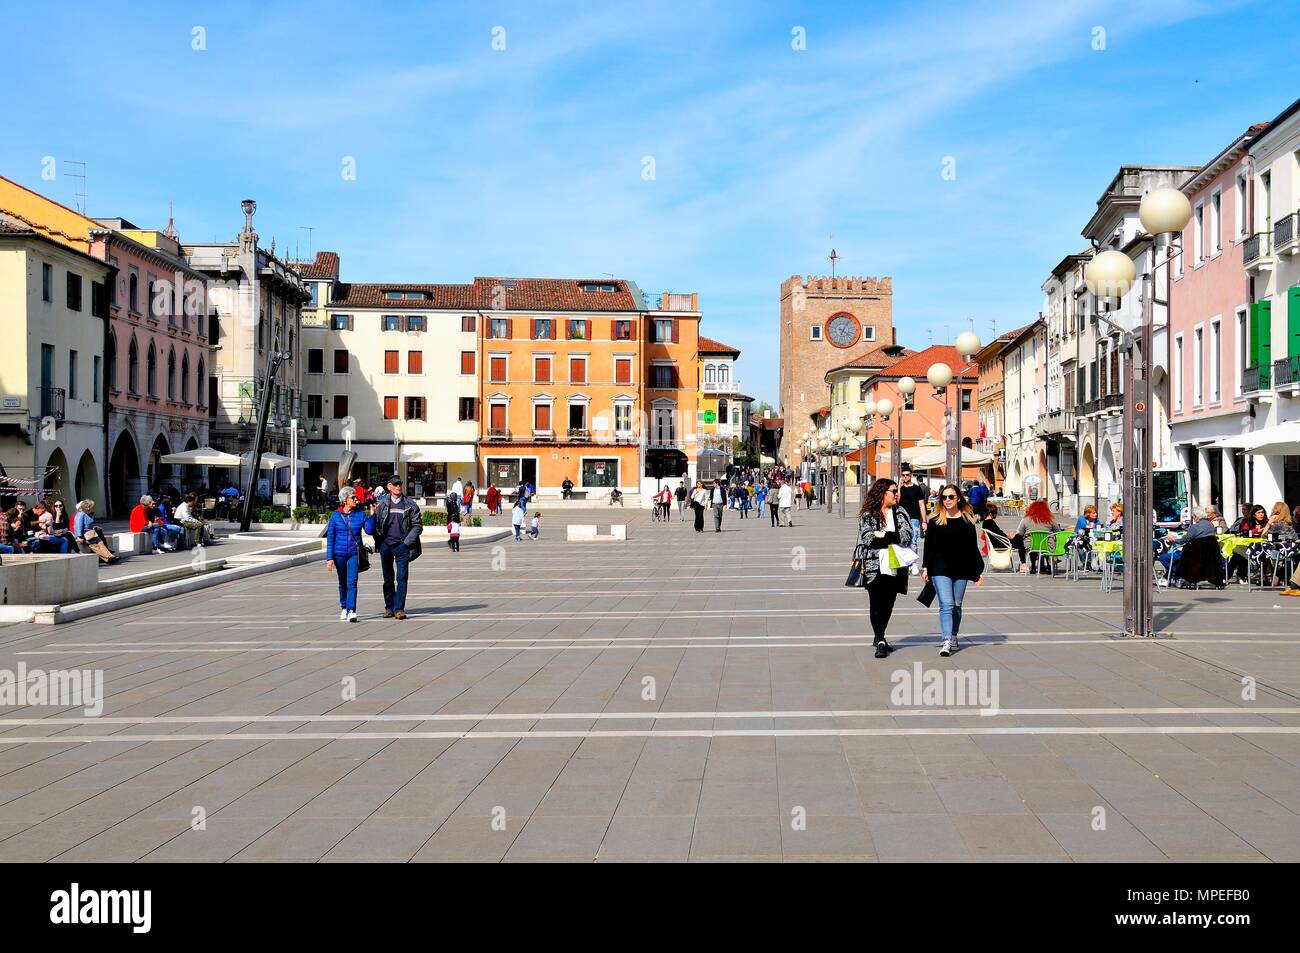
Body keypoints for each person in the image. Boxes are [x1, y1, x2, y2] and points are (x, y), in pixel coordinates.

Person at [922, 484, 985, 657]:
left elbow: (972, 548)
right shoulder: (935, 520)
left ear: (958, 498)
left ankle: (954, 634)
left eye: (951, 497)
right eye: (944, 497)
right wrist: (926, 567)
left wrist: (976, 572)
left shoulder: (967, 520)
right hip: (939, 568)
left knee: (956, 605)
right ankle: (946, 640)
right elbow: (929, 546)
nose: (947, 500)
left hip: (961, 568)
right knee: (947, 605)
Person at [856, 478, 914, 659]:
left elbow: (907, 535)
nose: (897, 494)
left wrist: (883, 534)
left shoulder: (900, 512)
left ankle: (879, 635)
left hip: (895, 564)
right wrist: (890, 536)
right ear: (883, 493)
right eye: (893, 491)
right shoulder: (869, 514)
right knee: (876, 602)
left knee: (889, 603)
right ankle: (880, 639)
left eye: (897, 491)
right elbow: (868, 539)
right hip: (873, 566)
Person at [369, 475, 421, 620]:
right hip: (386, 546)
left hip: (402, 547)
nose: (398, 486)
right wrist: (379, 541)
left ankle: (399, 609)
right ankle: (389, 607)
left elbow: (417, 526)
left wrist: (406, 543)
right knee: (388, 579)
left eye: (400, 484)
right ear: (389, 486)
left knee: (402, 578)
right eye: (395, 484)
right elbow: (376, 526)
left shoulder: (410, 504)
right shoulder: (382, 505)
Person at [325, 486, 373, 622]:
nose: (356, 499)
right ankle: (344, 607)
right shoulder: (335, 516)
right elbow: (330, 539)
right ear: (345, 500)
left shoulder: (360, 514)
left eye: (355, 497)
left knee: (352, 582)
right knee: (342, 582)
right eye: (353, 497)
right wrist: (329, 558)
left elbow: (369, 530)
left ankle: (352, 610)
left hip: (354, 553)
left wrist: (372, 515)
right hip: (339, 554)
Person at [1012, 499, 1058, 573]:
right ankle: (1049, 565)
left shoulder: (1026, 519)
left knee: (1031, 544)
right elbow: (1057, 531)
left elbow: (1020, 533)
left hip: (1031, 545)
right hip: (1047, 544)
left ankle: (1033, 566)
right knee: (1047, 543)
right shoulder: (1050, 519)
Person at [897, 466, 928, 542]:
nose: (905, 477)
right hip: (902, 518)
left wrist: (924, 521)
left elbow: (922, 505)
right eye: (903, 475)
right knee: (902, 542)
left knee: (913, 542)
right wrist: (899, 488)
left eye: (907, 475)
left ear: (911, 475)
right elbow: (897, 502)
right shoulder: (900, 488)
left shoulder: (917, 489)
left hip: (914, 518)